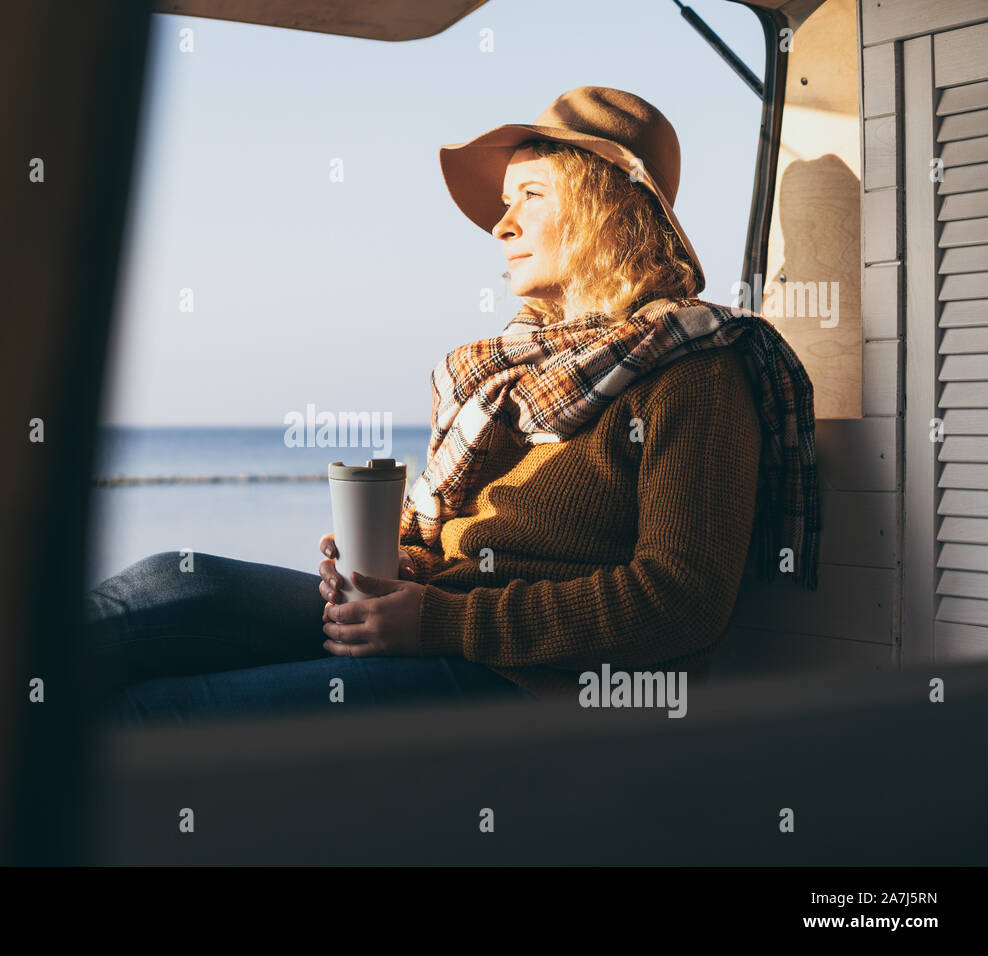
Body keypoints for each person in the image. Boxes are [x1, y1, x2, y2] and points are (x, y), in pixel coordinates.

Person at [83, 86, 821, 726]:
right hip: (444, 619)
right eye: (505, 205)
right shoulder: (513, 374)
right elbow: (443, 547)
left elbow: (681, 601)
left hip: (543, 688)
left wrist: (441, 622)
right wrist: (391, 564)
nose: (501, 227)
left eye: (530, 196)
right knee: (170, 587)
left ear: (610, 209)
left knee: (151, 713)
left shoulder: (695, 373)